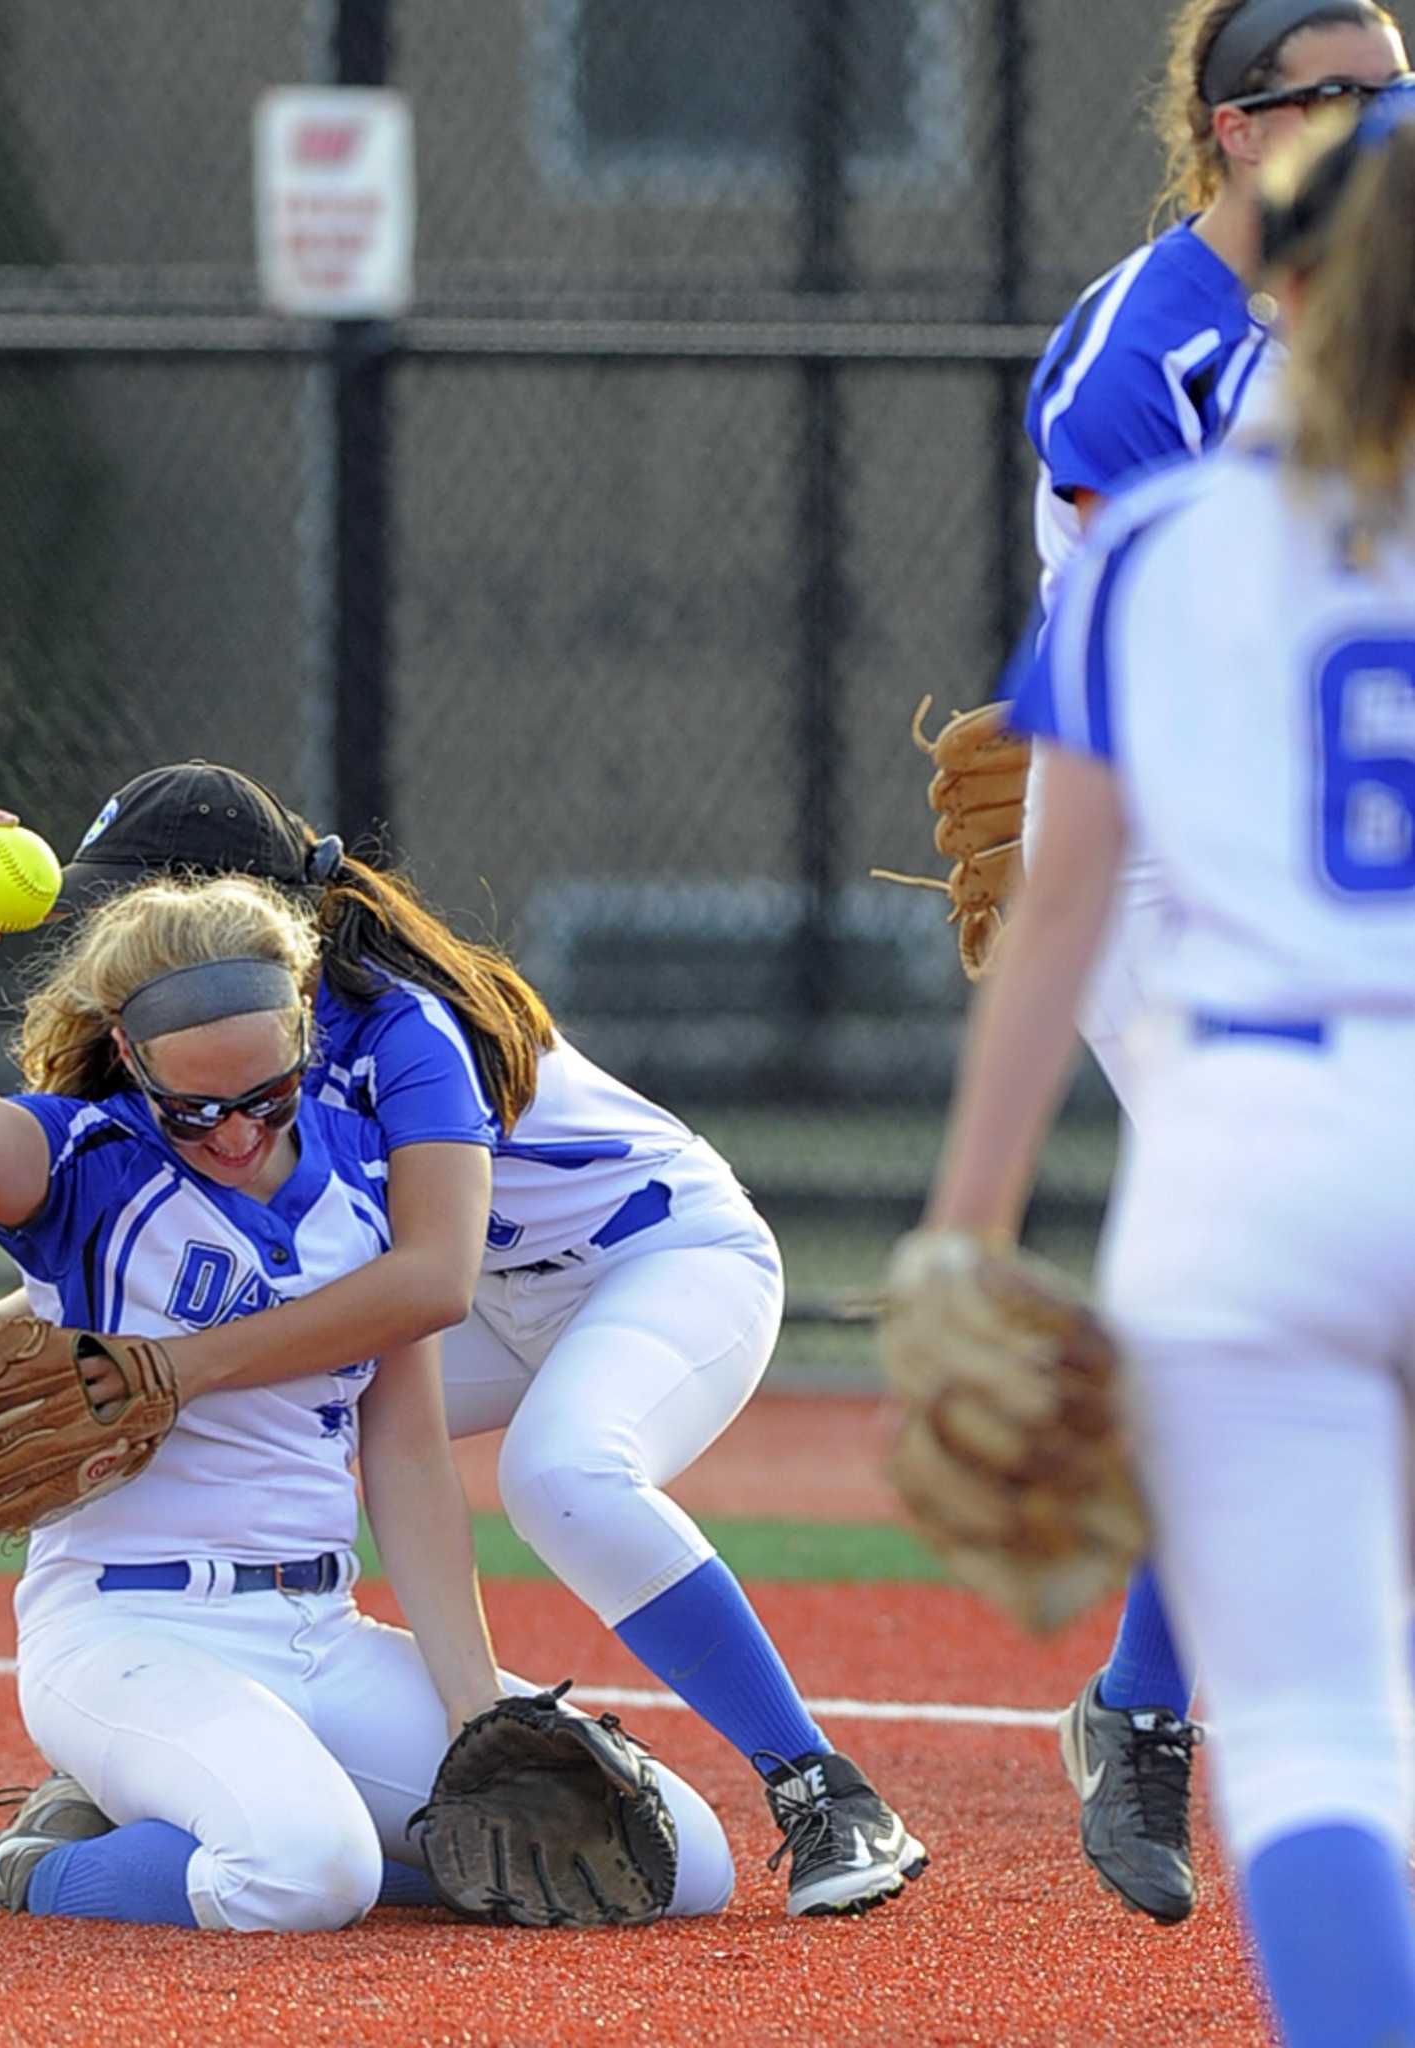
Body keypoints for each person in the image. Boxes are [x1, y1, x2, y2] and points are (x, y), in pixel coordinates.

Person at [0, 765, 925, 1918]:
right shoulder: (189, 1053)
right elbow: (183, 1265)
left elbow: (424, 1281)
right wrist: (7, 1329)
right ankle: (172, 1754)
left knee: (565, 1473)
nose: (116, 928)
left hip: (653, 1259)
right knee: (304, 1431)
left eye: (138, 896)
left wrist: (470, 1716)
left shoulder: (391, 1024)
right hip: (484, 1302)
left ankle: (819, 1785)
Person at [911, 81, 1415, 2047]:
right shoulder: (1139, 385)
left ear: (1290, 280)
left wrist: (965, 1229)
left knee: (1304, 1730)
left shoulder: (1163, 548)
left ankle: (1159, 1713)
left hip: (1254, 1140)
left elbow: (1052, 908)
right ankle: (1137, 1696)